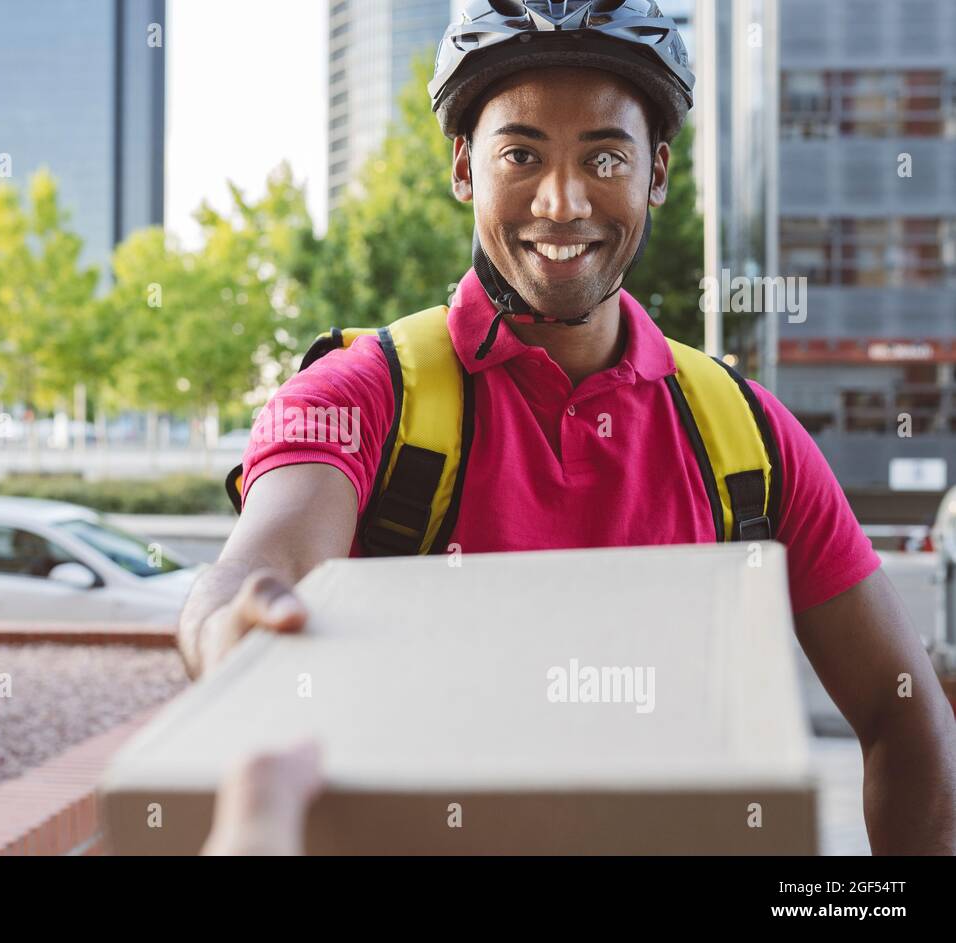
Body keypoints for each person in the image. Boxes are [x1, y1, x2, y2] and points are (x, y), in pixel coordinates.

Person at [179, 0, 956, 854]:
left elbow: (903, 713)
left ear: (656, 173)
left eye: (604, 156)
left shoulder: (745, 432)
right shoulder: (364, 394)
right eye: (520, 153)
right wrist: (229, 626)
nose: (562, 201)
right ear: (465, 168)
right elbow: (255, 571)